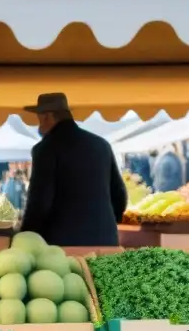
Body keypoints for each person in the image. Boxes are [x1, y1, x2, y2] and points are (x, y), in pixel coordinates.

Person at [19, 93, 127, 247]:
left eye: (39, 119)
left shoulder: (46, 148)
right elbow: (119, 195)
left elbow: (40, 202)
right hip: (106, 239)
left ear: (46, 117)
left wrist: (25, 236)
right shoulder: (101, 145)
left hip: (64, 242)